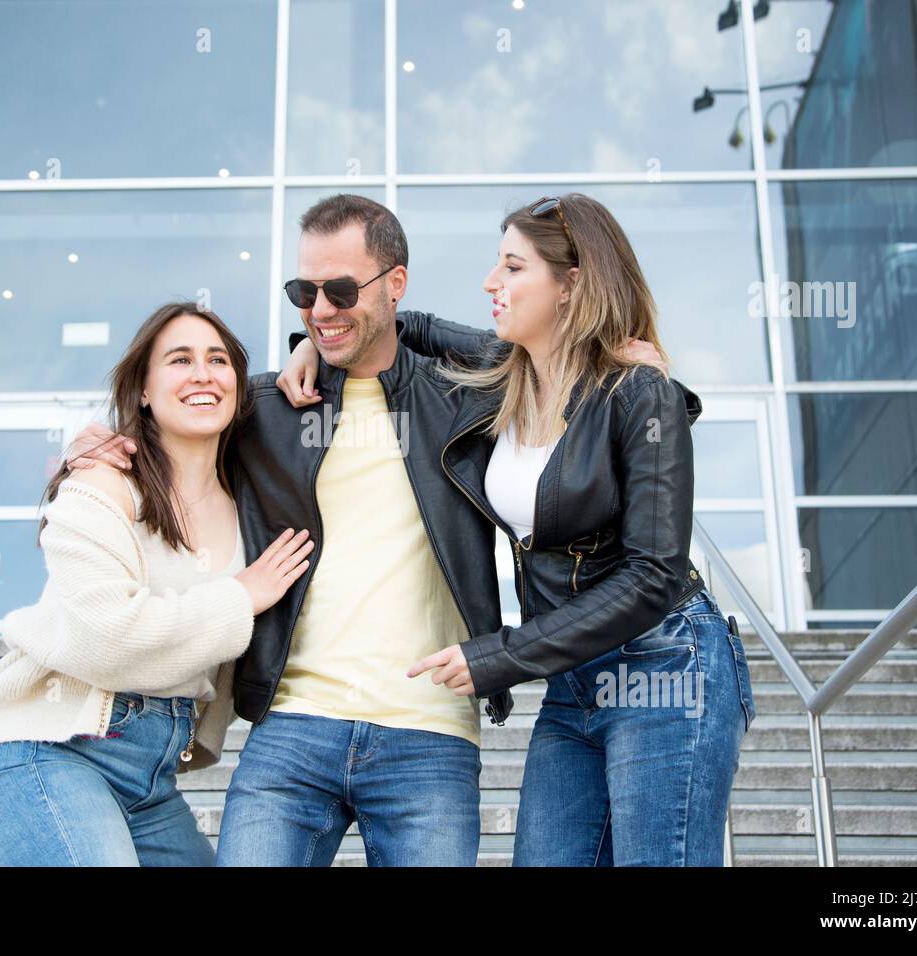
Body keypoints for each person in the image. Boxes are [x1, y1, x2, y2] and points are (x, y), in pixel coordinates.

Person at [68, 195, 668, 866]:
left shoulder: (465, 393)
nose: (320, 310)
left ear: (395, 283)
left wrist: (603, 355)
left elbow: (542, 359)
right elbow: (181, 415)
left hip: (430, 731)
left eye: (343, 289)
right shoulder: (269, 407)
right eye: (305, 291)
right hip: (293, 728)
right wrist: (107, 440)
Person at [279, 192, 758, 866]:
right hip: (572, 678)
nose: (488, 283)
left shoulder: (639, 393)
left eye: (511, 267)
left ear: (571, 285)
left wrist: (499, 656)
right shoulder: (507, 371)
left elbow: (653, 576)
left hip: (666, 659)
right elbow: (399, 322)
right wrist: (308, 346)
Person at [0, 302, 313, 866]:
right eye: (179, 360)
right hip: (50, 752)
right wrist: (241, 597)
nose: (203, 374)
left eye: (218, 360)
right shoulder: (104, 483)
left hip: (151, 784)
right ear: (145, 391)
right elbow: (106, 635)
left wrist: (310, 347)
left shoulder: (246, 502)